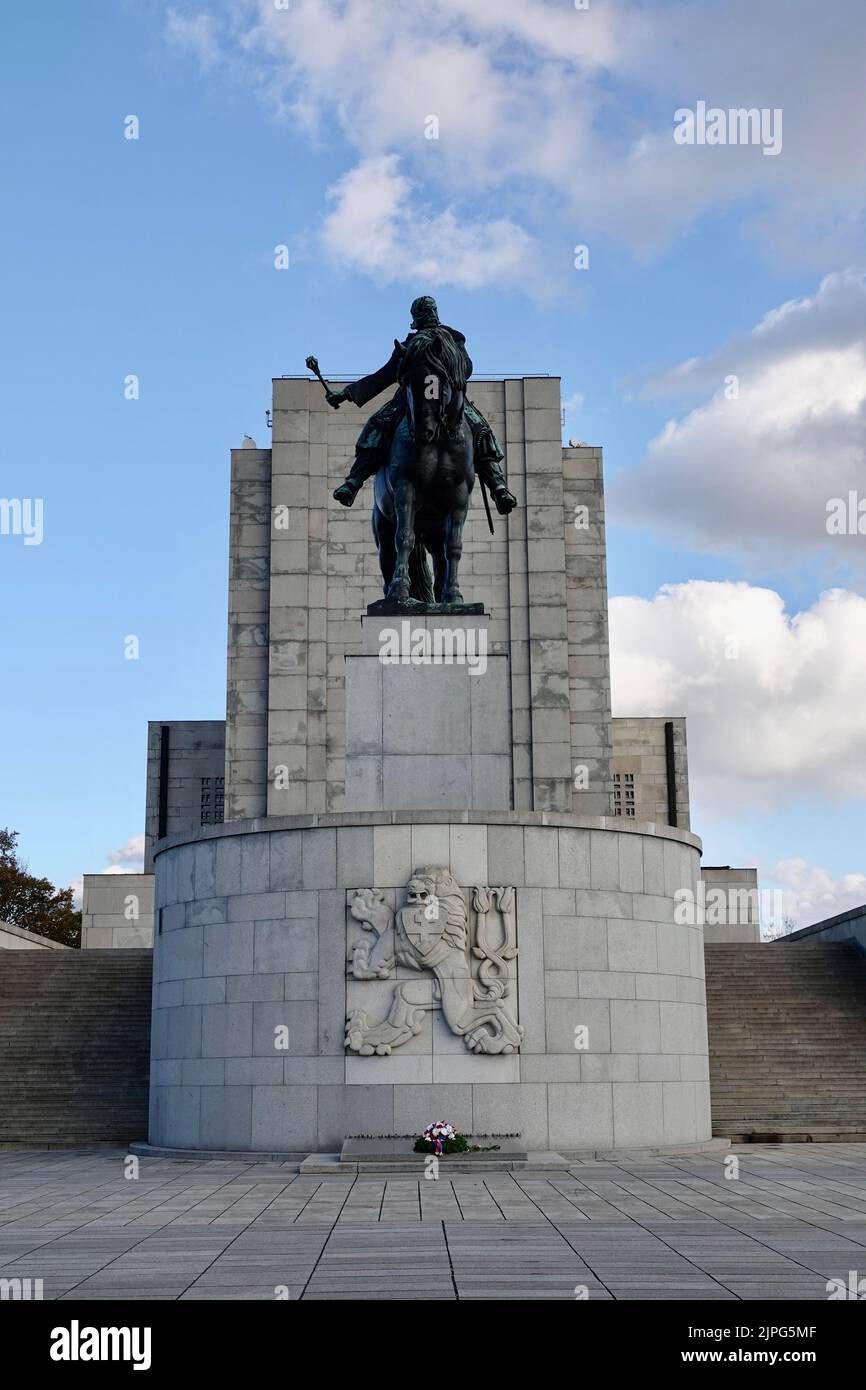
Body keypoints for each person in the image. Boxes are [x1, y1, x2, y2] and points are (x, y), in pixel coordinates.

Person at [327, 296, 517, 515]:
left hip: (447, 401)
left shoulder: (454, 339)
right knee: (377, 424)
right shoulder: (407, 346)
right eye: (424, 314)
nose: (429, 317)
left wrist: (449, 359)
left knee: (481, 428)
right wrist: (346, 394)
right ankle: (353, 481)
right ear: (417, 319)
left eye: (430, 312)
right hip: (410, 401)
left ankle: (498, 485)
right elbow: (383, 376)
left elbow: (467, 369)